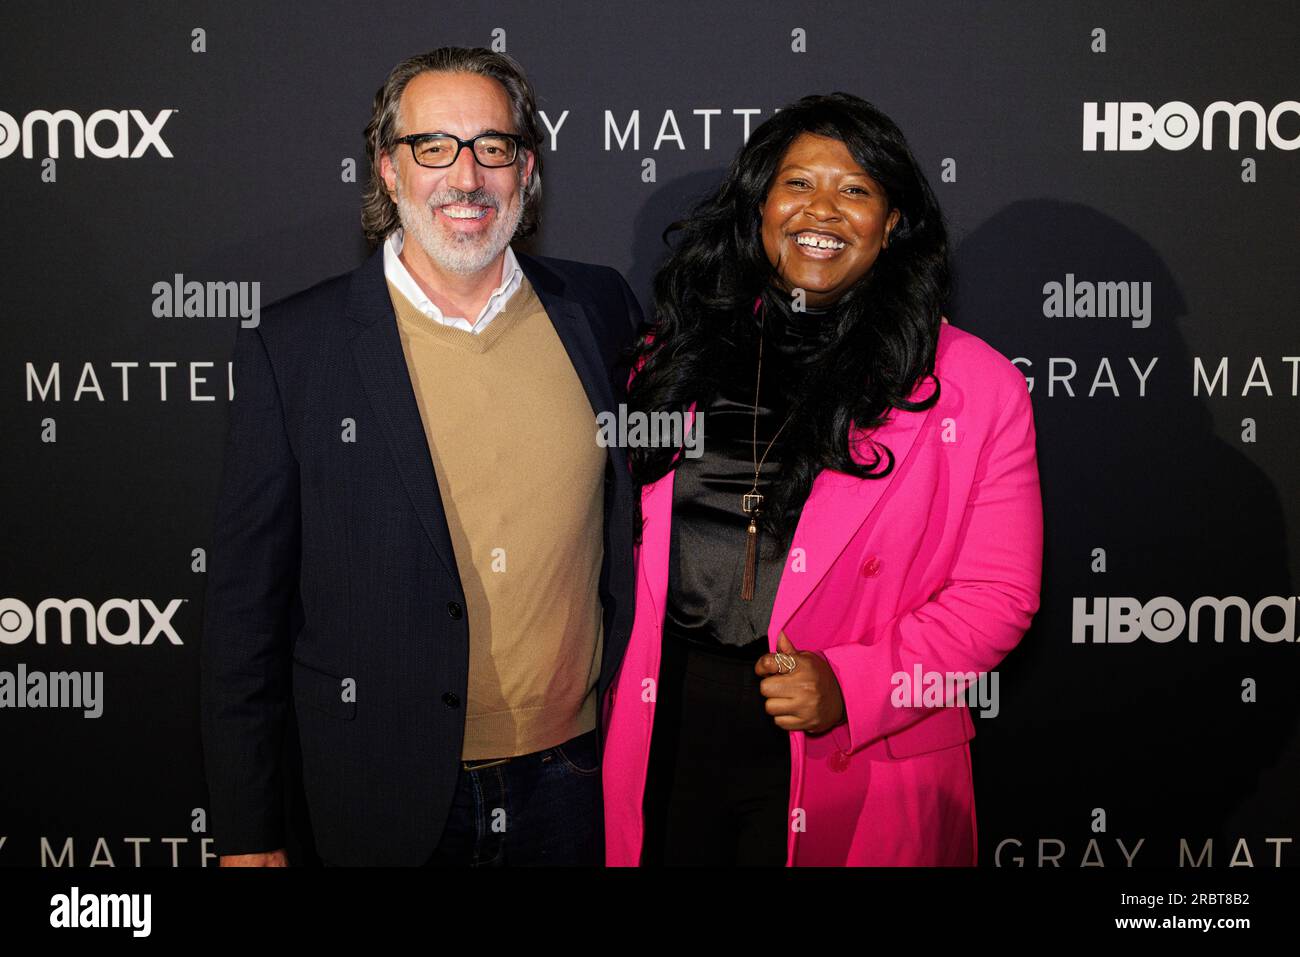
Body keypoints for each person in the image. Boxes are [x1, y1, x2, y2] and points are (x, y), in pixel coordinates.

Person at [200, 48, 640, 867]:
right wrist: (248, 831)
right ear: (389, 171)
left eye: (492, 147)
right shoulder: (295, 347)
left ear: (527, 168)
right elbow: (242, 614)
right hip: (378, 791)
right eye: (433, 146)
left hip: (574, 778)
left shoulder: (599, 308)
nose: (465, 176)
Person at [600, 93, 1043, 866]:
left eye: (857, 190)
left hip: (852, 744)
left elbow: (999, 595)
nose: (823, 210)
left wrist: (852, 683)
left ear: (894, 222)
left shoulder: (976, 384)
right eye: (798, 183)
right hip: (663, 727)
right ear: (760, 205)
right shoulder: (672, 357)